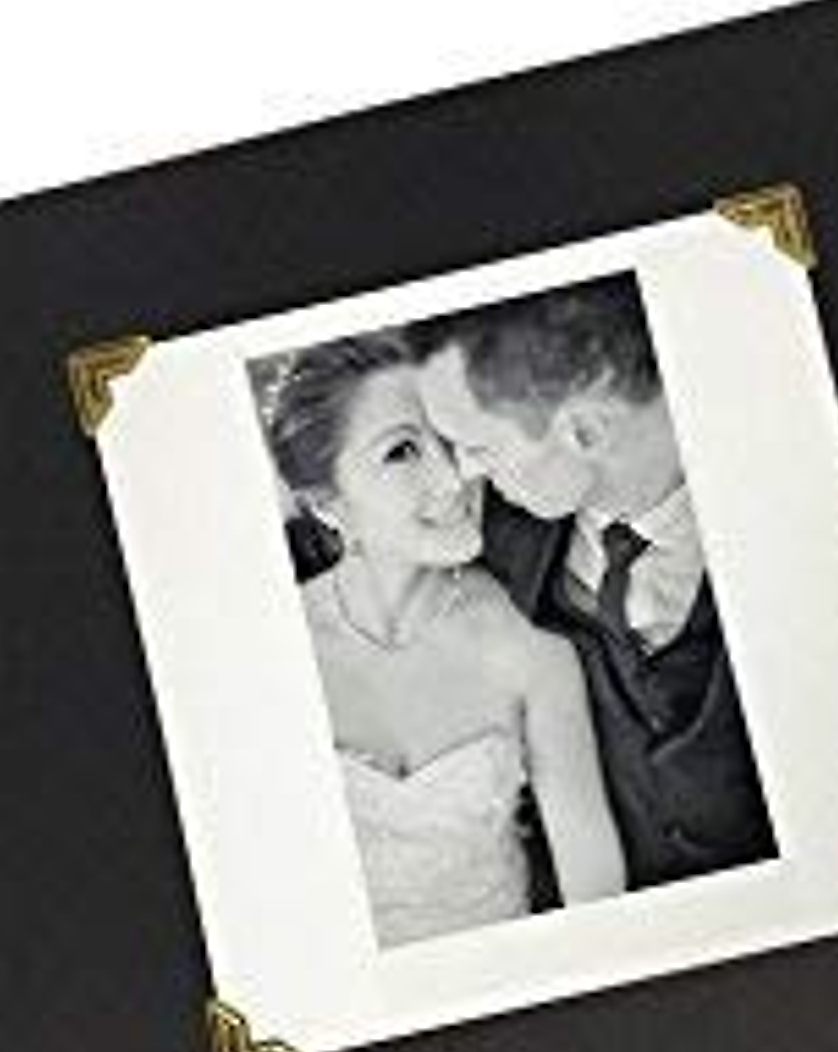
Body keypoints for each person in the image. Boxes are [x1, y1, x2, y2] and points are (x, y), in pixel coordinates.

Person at [414, 274, 778, 891]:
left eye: (477, 447)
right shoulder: (493, 537)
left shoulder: (789, 508)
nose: (461, 474)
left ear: (586, 431)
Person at [265, 330, 625, 947]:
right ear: (329, 505)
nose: (456, 476)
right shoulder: (272, 654)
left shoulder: (533, 650)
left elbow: (597, 895)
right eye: (402, 451)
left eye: (450, 440)